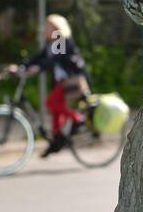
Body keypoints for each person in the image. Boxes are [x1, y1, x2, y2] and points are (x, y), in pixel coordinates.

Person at [8, 15, 91, 158]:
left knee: (50, 102)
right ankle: (56, 139)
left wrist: (38, 68)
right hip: (61, 81)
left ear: (56, 28)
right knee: (55, 109)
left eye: (48, 27)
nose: (45, 29)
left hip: (71, 80)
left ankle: (77, 118)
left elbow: (54, 60)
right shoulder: (51, 42)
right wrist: (21, 66)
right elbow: (39, 57)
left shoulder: (61, 39)